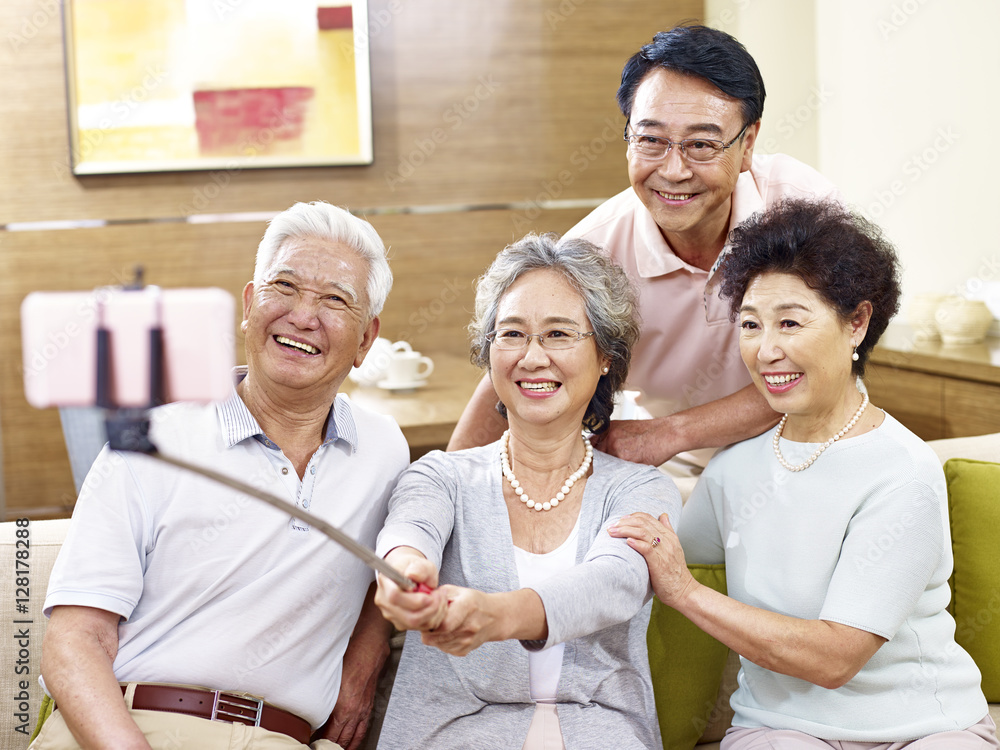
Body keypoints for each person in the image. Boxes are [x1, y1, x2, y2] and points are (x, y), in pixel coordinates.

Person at [610, 199, 1000, 749]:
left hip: (926, 728)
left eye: (791, 322)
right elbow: (658, 545)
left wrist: (686, 592)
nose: (767, 350)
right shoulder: (735, 468)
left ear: (856, 322)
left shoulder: (901, 472)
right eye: (750, 324)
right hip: (780, 729)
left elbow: (835, 656)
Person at [33, 202, 410, 750]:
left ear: (366, 341)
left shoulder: (383, 451)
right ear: (250, 304)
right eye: (284, 286)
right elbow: (73, 641)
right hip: (124, 725)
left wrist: (366, 659)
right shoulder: (149, 447)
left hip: (277, 738)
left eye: (334, 299)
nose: (303, 316)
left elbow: (409, 557)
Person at [448, 25, 839, 471]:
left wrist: (670, 432)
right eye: (650, 139)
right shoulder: (594, 251)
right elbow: (512, 375)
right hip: (684, 468)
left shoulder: (803, 207)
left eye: (701, 145)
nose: (673, 171)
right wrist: (445, 494)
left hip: (815, 444)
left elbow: (820, 368)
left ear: (747, 143)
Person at [372, 234, 681, 749]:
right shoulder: (440, 476)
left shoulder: (640, 488)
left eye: (558, 334)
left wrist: (494, 617)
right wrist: (406, 575)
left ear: (605, 354)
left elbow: (615, 581)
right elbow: (409, 533)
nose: (532, 357)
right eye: (512, 334)